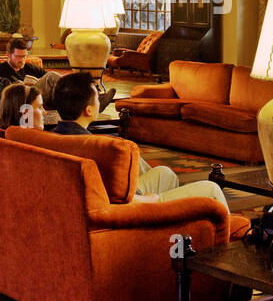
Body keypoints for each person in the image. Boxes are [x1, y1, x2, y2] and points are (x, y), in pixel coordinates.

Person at [51, 72, 227, 208]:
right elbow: (112, 197)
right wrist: (150, 200)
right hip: (127, 208)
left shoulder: (52, 136)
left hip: (117, 198)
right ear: (89, 110)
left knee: (165, 173)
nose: (99, 102)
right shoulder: (95, 149)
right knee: (212, 189)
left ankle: (172, 222)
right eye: (97, 98)